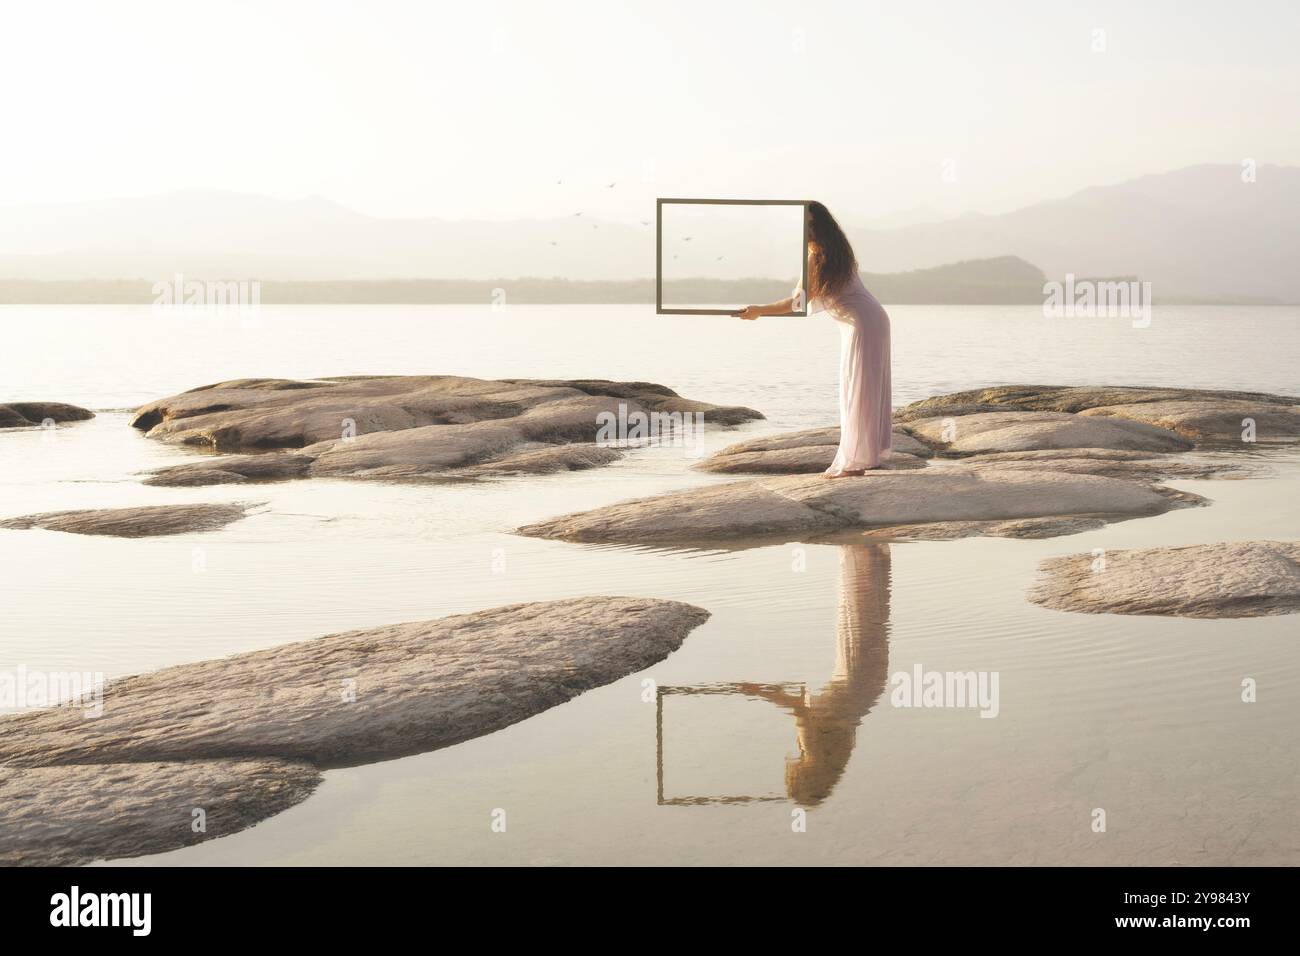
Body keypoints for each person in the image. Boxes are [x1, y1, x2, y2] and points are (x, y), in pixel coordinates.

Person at [737, 202, 892, 477]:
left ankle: (853, 461)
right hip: (871, 319)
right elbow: (805, 301)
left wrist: (759, 310)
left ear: (820, 227)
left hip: (863, 323)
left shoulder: (818, 256)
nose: (806, 230)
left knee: (857, 390)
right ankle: (859, 458)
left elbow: (796, 303)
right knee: (861, 389)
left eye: (810, 224)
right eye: (803, 224)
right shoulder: (836, 252)